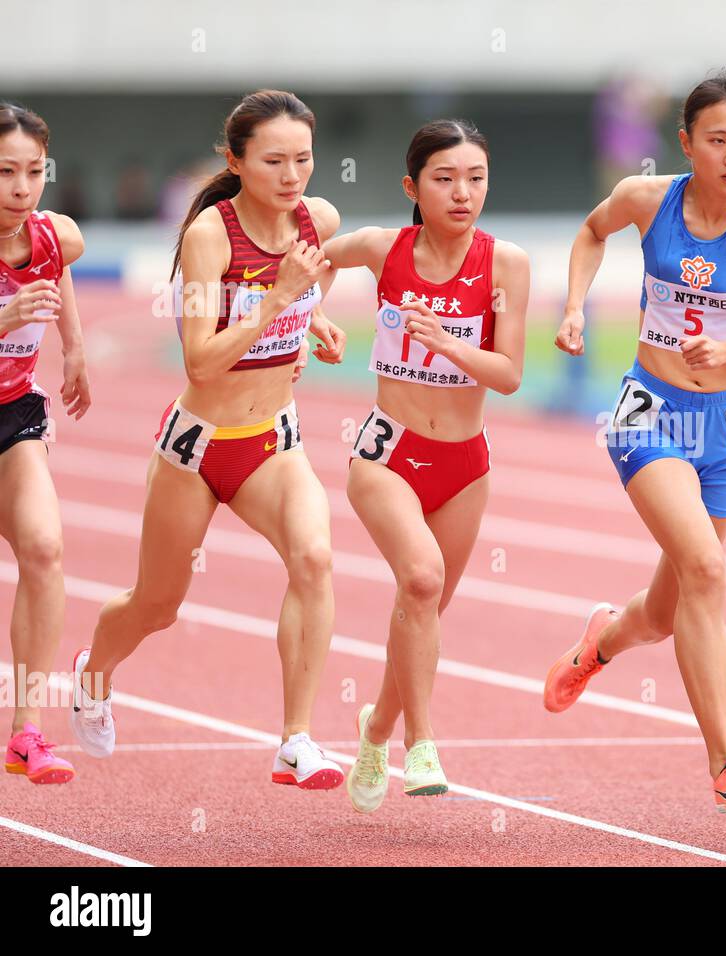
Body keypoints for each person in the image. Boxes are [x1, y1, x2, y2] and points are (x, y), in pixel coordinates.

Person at [543, 70, 726, 814]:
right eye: (719, 140)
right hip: (649, 413)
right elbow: (589, 232)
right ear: (686, 143)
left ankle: (599, 642)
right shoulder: (648, 199)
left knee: (669, 610)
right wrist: (575, 307)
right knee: (706, 568)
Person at [69, 90, 348, 790]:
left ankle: (296, 739)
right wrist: (282, 301)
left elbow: (305, 290)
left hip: (273, 444)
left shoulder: (322, 221)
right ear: (236, 159)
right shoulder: (210, 238)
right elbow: (199, 359)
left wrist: (311, 323)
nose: (293, 176)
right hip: (196, 448)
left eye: (304, 159)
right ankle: (92, 673)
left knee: (314, 559)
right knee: (157, 605)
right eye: (274, 160)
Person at [321, 120, 527, 813]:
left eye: (476, 177)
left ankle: (375, 728)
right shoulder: (385, 249)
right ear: (413, 187)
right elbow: (316, 257)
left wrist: (448, 343)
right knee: (420, 576)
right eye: (445, 179)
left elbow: (509, 375)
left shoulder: (506, 264)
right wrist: (312, 317)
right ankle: (424, 742)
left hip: (465, 463)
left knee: (423, 605)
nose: (463, 192)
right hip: (387, 452)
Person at [0, 102, 91, 785]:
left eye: (33, 171)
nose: (21, 187)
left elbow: (57, 267)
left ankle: (26, 731)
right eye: (5, 172)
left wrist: (77, 350)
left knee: (45, 547)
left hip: (14, 415)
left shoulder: (57, 235)